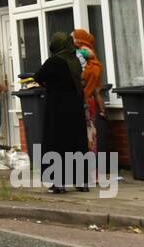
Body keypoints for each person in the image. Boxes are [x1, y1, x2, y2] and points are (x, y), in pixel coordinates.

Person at [31, 32, 90, 193]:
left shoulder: (54, 61)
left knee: (56, 143)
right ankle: (81, 181)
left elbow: (37, 77)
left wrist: (48, 85)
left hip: (57, 108)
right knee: (77, 142)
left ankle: (58, 183)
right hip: (75, 107)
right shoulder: (75, 61)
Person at [72, 28, 105, 164]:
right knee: (91, 136)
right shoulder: (95, 64)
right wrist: (102, 110)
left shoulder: (82, 56)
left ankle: (87, 170)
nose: (71, 40)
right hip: (90, 101)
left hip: (83, 101)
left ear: (79, 40)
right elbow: (97, 91)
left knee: (85, 137)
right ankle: (92, 171)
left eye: (73, 37)